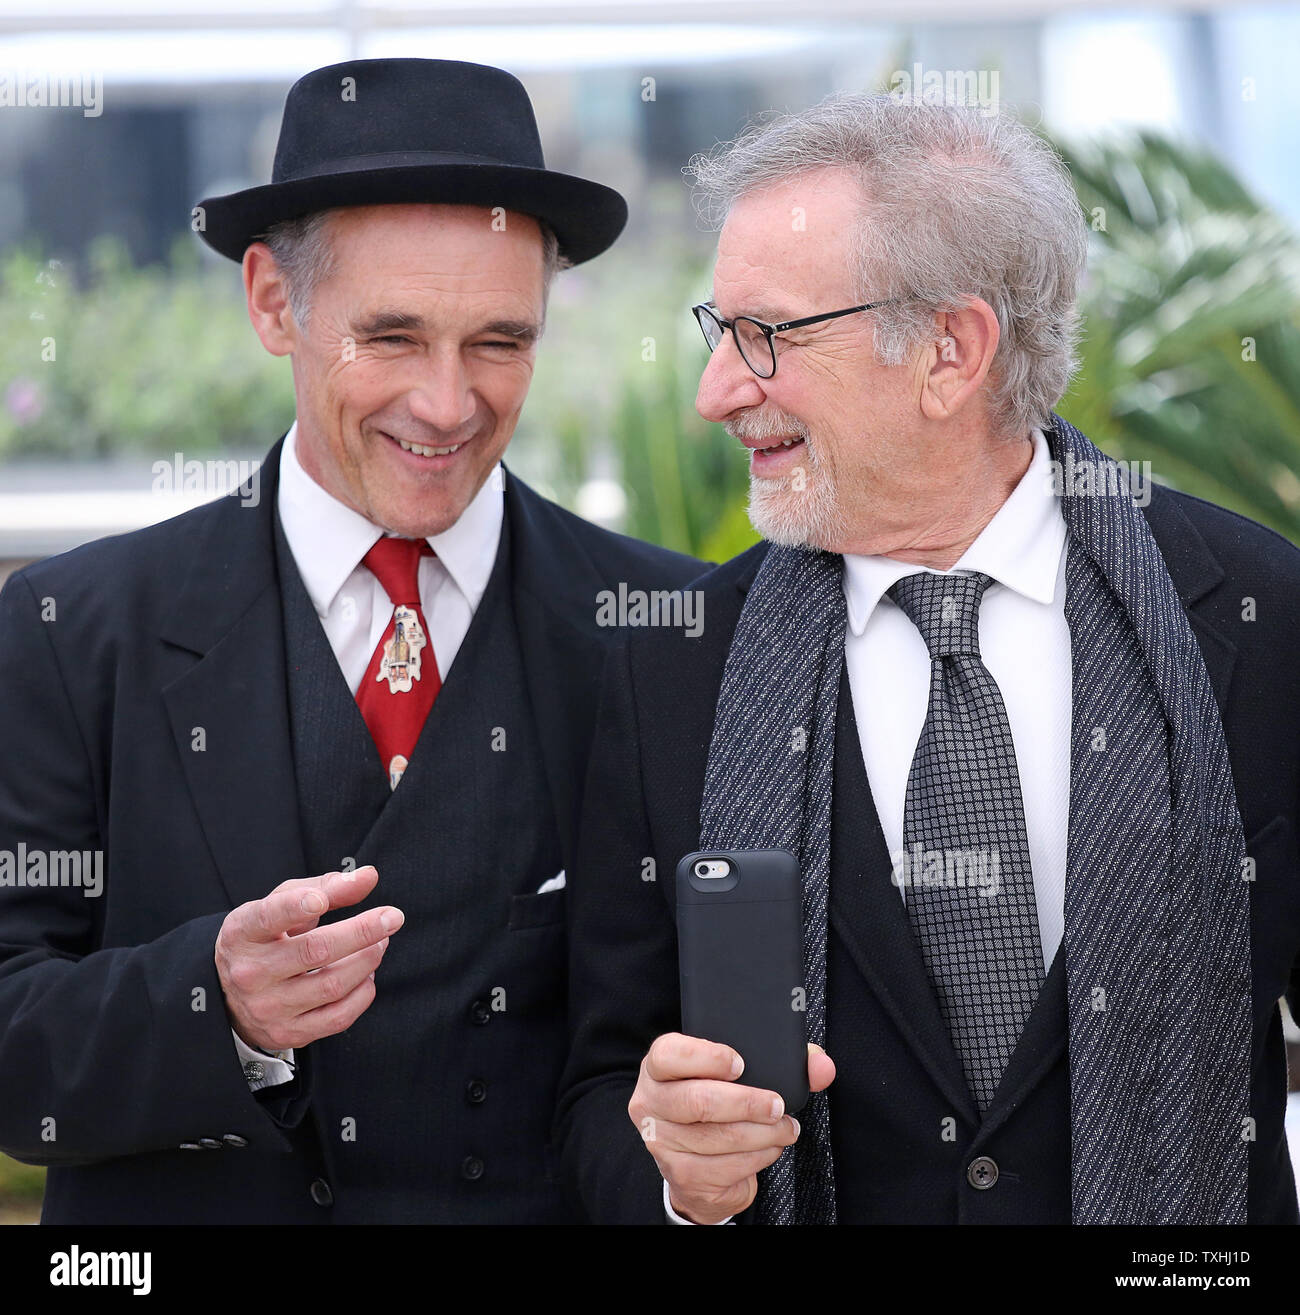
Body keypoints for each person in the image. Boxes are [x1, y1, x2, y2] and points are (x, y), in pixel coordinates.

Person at [556, 93, 1300, 1225]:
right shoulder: (671, 666)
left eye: (769, 335)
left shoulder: (1257, 615)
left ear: (951, 351)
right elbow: (599, 1090)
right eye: (719, 330)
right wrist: (674, 1176)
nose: (716, 392)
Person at [0, 57, 700, 1224]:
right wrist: (214, 1004)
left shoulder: (667, 632)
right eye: (391, 336)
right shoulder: (75, 633)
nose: (445, 402)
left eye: (497, 341)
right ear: (274, 302)